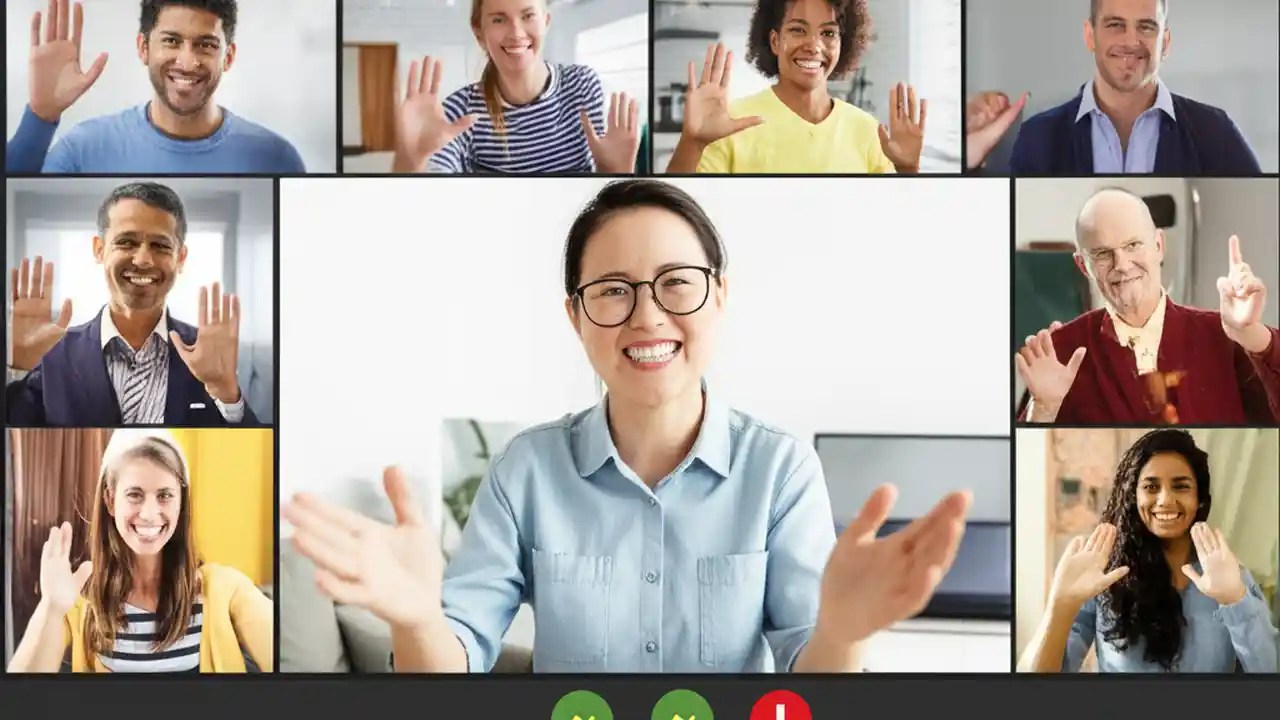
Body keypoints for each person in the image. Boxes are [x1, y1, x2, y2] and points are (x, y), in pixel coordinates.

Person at [283, 178, 974, 673]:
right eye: (613, 290)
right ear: (575, 317)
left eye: (677, 283)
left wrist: (844, 633)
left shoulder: (780, 470)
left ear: (720, 295)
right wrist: (418, 618)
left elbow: (807, 675)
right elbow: (454, 664)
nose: (646, 317)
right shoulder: (525, 471)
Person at [6, 429, 274, 673]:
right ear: (110, 501)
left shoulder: (226, 589)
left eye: (165, 495)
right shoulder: (78, 598)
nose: (149, 514)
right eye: (134, 494)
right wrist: (51, 610)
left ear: (181, 502)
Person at [1017, 429, 1278, 673]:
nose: (1165, 500)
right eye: (1151, 487)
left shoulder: (1232, 577)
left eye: (1181, 486)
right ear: (1133, 496)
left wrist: (1236, 600)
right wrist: (1060, 605)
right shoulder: (1104, 578)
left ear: (1200, 498)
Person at [1015, 187, 1280, 424]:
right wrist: (1044, 409)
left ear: (1158, 245)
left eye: (1132, 245)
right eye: (1102, 253)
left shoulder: (1225, 336)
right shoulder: (1060, 350)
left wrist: (1254, 336)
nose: (1121, 264)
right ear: (1083, 266)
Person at [5, 181, 261, 426]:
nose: (142, 260)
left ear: (180, 258)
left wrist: (227, 393)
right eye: (126, 242)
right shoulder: (53, 353)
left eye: (160, 246)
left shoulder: (205, 351)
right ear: (99, 249)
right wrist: (17, 368)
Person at [6, 0, 305, 174]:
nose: (188, 62)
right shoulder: (81, 150)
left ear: (228, 57)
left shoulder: (277, 158)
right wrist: (40, 116)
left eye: (206, 45)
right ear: (143, 47)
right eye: (171, 41)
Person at [666, 0, 926, 174]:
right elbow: (681, 211)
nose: (814, 45)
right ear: (775, 41)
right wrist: (692, 143)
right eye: (798, 30)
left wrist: (908, 171)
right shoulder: (729, 124)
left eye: (828, 33)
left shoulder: (868, 130)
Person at [1008, 0, 1260, 175]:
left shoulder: (1216, 133)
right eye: (1115, 25)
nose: (1130, 41)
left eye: (1146, 27)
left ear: (1166, 43)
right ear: (1089, 35)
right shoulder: (1038, 136)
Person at [391, 0, 639, 174]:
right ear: (479, 32)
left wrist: (618, 171)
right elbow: (431, 199)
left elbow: (605, 196)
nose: (516, 32)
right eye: (499, 19)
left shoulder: (582, 85)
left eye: (528, 15)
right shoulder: (460, 110)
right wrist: (409, 161)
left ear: (546, 21)